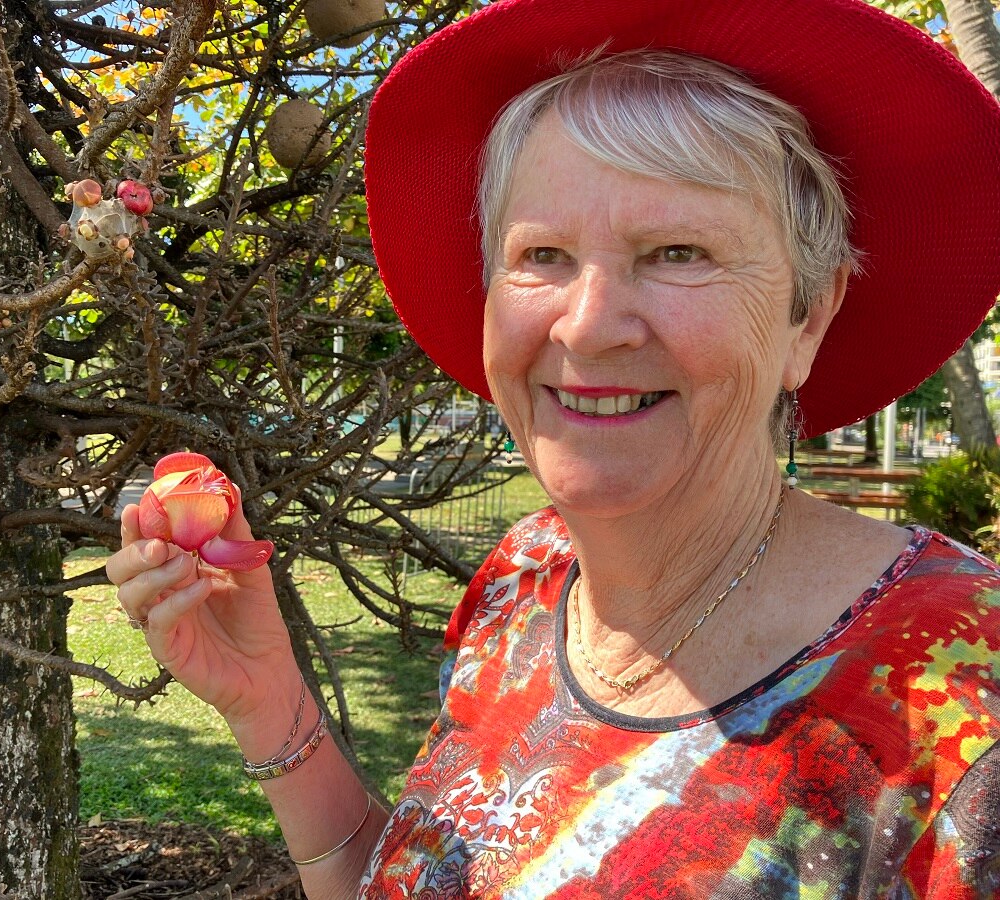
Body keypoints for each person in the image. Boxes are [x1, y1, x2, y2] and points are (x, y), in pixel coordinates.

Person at [106, 0, 1000, 895]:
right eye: (543, 255)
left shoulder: (966, 710)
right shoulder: (524, 579)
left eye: (677, 251)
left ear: (809, 315)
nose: (589, 324)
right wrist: (269, 699)